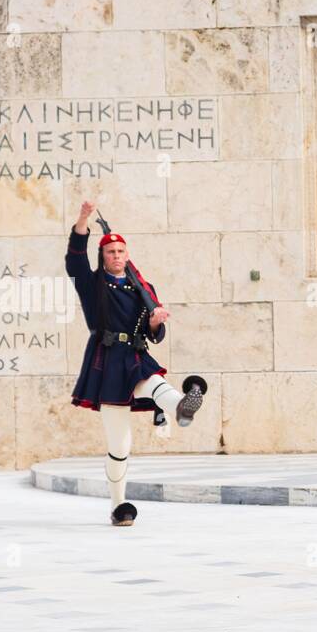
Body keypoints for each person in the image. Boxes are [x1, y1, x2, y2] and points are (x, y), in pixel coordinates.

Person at [65, 201, 206, 526]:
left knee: (157, 384)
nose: (116, 256)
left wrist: (156, 321)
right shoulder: (91, 284)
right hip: (107, 360)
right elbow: (74, 259)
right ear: (103, 256)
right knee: (120, 444)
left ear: (128, 256)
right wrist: (83, 220)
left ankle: (183, 406)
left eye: (120, 251)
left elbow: (154, 334)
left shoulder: (144, 289)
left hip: (137, 355)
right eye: (111, 251)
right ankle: (119, 505)